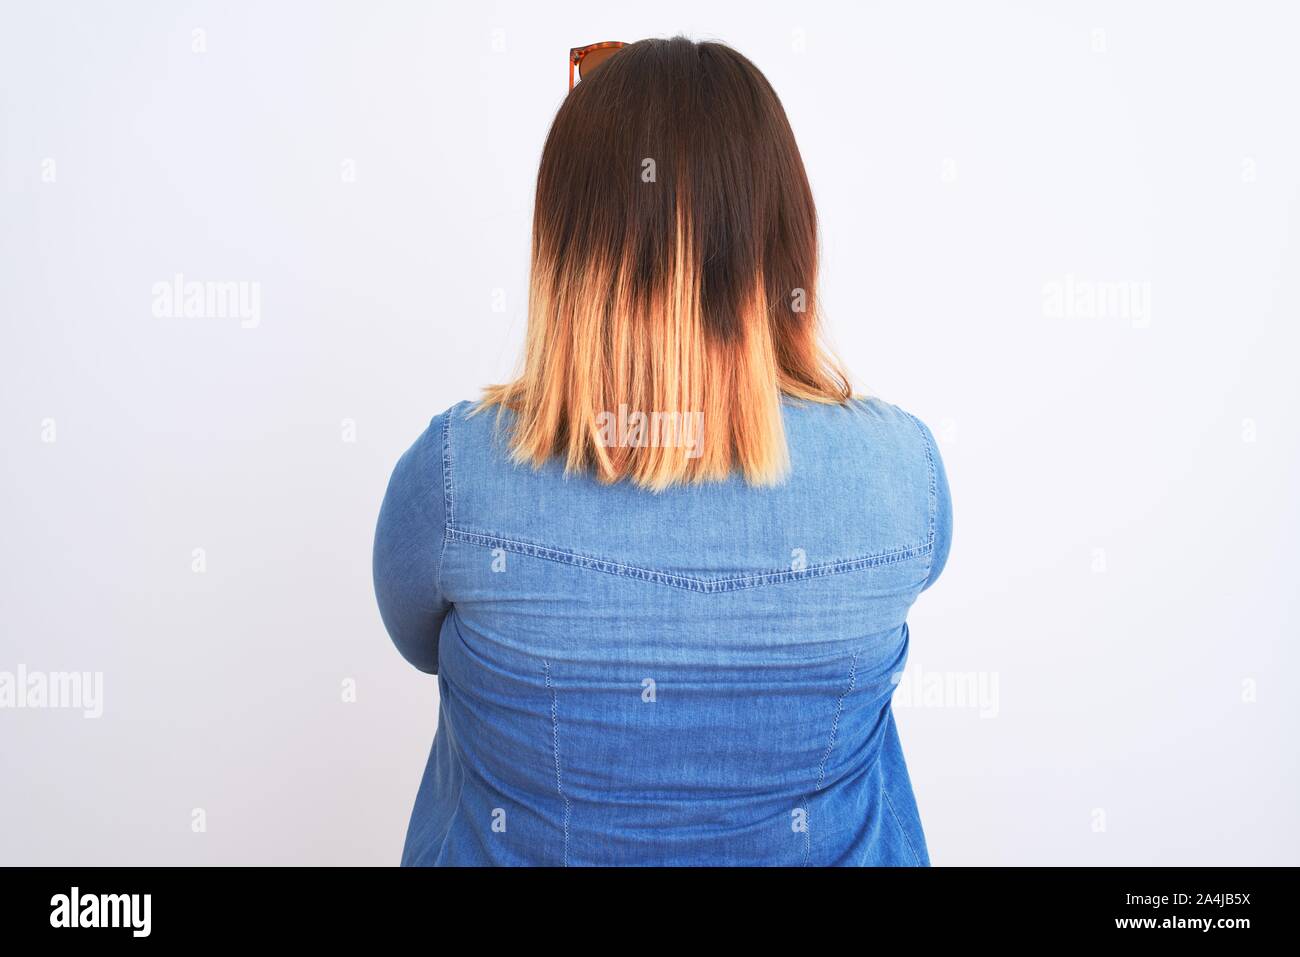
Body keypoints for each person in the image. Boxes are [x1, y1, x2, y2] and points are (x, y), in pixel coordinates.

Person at [373, 36, 951, 866]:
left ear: (567, 252)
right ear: (786, 238)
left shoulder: (457, 479)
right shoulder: (903, 477)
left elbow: (414, 638)